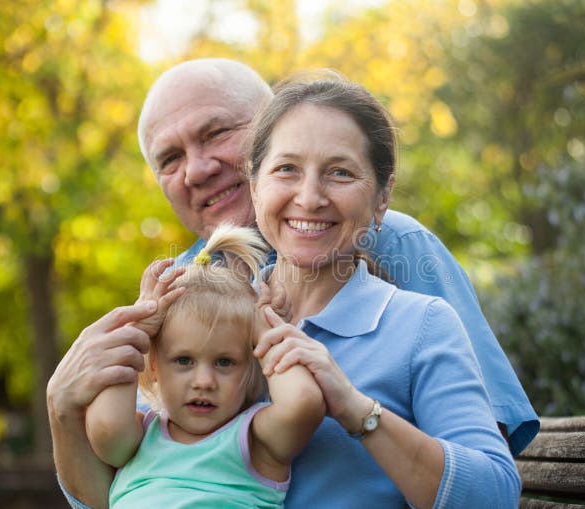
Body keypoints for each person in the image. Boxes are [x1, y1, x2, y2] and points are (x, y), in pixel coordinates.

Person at [47, 58, 537, 508]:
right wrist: (62, 411)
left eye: (340, 172)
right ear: (257, 180)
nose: (309, 197)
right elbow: (136, 481)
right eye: (286, 169)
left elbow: (487, 479)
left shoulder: (413, 303)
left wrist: (358, 412)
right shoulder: (189, 297)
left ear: (382, 195)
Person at [84, 224, 324, 508]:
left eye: (225, 362)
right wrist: (138, 331)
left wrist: (267, 331)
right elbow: (103, 427)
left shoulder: (254, 440)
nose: (204, 381)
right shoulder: (138, 436)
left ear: (251, 367)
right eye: (183, 361)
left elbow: (304, 404)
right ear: (154, 366)